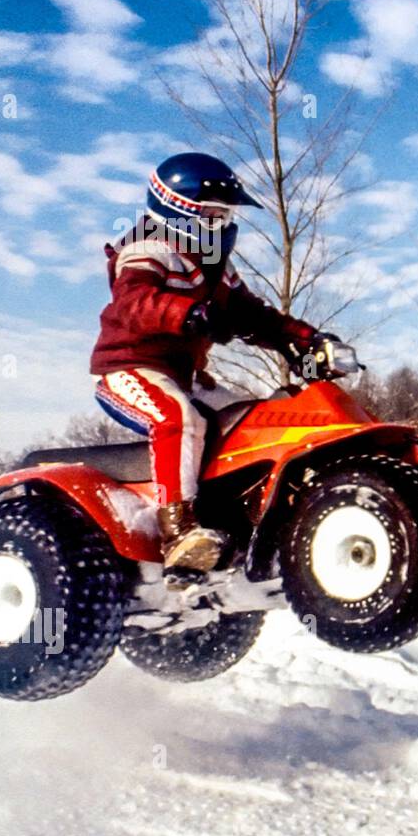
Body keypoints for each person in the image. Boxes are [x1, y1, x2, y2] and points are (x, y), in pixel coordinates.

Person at [90, 152, 323, 572]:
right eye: (213, 215)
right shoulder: (146, 251)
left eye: (226, 215)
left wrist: (304, 340)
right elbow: (135, 303)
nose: (223, 224)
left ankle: (242, 517)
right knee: (179, 419)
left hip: (186, 376)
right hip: (130, 368)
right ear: (179, 213)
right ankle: (178, 530)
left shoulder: (217, 268)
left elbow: (253, 316)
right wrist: (189, 313)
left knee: (251, 419)